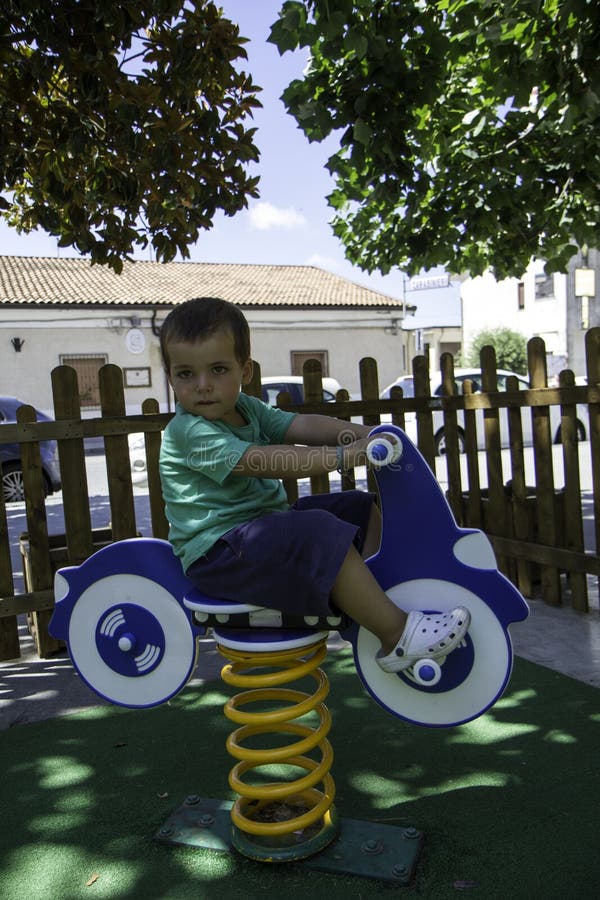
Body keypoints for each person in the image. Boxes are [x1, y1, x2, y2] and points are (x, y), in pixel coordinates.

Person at [158, 297, 470, 673]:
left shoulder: (246, 408)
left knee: (355, 506)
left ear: (246, 371)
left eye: (218, 369)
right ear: (171, 376)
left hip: (255, 532)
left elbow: (300, 426)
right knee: (318, 531)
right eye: (186, 374)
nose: (203, 386)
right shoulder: (189, 432)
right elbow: (261, 460)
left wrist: (367, 434)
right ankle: (397, 635)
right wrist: (345, 456)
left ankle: (381, 596)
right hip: (218, 554)